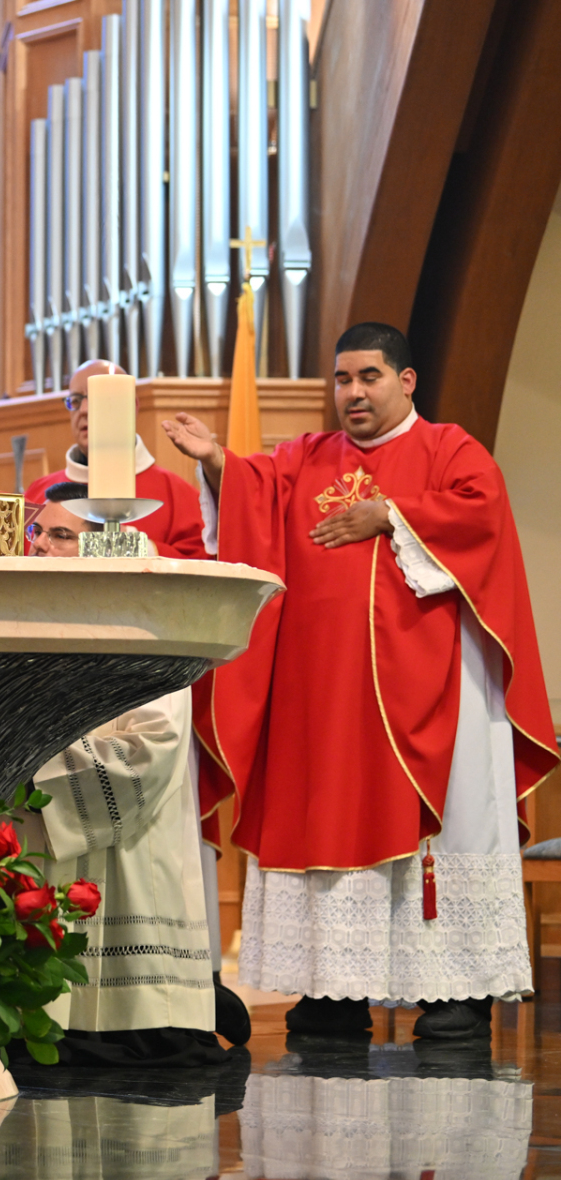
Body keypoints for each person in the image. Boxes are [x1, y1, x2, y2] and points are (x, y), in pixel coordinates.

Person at [163, 322, 557, 1040]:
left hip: (435, 692)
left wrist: (391, 514)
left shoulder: (449, 450)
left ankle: (454, 994)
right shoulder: (306, 457)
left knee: (448, 831)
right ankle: (334, 991)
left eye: (368, 377)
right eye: (341, 380)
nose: (352, 393)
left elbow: (482, 514)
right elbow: (255, 499)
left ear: (406, 381)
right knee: (327, 825)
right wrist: (219, 460)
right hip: (325, 703)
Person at [24, 482, 245, 1061]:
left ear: (103, 548)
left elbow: (153, 748)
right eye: (37, 531)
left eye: (61, 535)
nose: (41, 546)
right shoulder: (24, 624)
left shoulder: (148, 631)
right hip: (52, 838)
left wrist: (32, 768)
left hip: (129, 845)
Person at [23, 360, 206, 558]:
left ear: (131, 406)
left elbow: (203, 566)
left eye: (97, 398)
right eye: (76, 400)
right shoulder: (38, 493)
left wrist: (136, 547)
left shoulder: (176, 494)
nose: (84, 410)